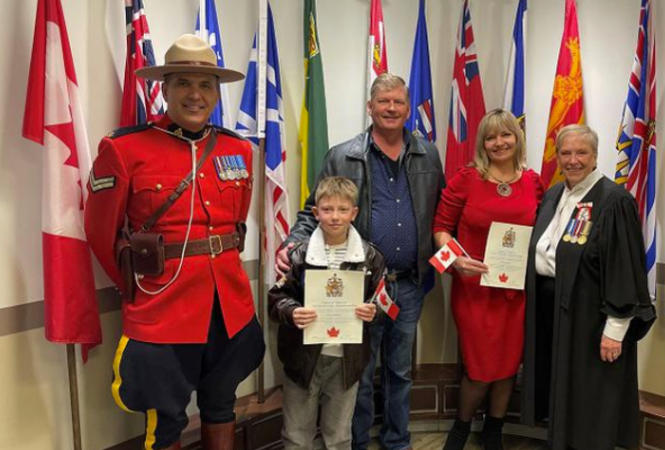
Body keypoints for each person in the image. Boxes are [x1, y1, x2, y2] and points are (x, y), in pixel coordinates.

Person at [84, 34, 265, 450]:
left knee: (222, 405)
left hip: (228, 306)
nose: (195, 95)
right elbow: (100, 233)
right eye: (183, 83)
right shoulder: (125, 148)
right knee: (165, 418)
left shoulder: (238, 148)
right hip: (162, 308)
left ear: (218, 93)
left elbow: (234, 226)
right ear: (164, 89)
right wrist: (142, 282)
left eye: (205, 85)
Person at [276, 73, 445, 450]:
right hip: (362, 286)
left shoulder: (428, 153)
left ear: (407, 108)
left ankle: (397, 442)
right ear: (370, 107)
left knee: (401, 371)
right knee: (360, 373)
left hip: (409, 285)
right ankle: (355, 443)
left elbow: (443, 211)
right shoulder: (343, 154)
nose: (391, 108)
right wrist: (292, 243)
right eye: (383, 101)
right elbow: (313, 210)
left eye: (398, 102)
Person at [520, 124, 656, 450]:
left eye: (581, 152)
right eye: (565, 153)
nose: (573, 160)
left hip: (591, 316)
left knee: (591, 395)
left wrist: (616, 328)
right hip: (554, 312)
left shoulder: (613, 202)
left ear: (595, 156)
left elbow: (624, 270)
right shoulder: (554, 195)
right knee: (564, 393)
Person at [433, 109, 544, 450]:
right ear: (483, 143)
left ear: (517, 138)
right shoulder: (467, 178)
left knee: (509, 366)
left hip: (515, 293)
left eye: (505, 135)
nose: (499, 142)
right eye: (491, 137)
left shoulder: (534, 181)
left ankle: (494, 429)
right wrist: (456, 261)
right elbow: (440, 229)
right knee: (479, 370)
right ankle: (461, 427)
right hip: (474, 291)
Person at [268, 176, 383, 450]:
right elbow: (276, 299)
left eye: (343, 210)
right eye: (328, 209)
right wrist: (292, 312)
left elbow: (385, 300)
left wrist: (374, 311)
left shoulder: (371, 257)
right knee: (296, 435)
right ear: (316, 212)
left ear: (354, 213)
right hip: (303, 359)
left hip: (347, 361)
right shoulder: (298, 255)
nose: (335, 217)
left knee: (340, 436)